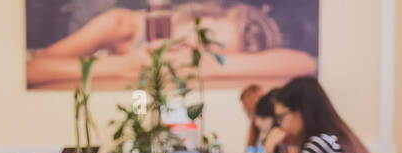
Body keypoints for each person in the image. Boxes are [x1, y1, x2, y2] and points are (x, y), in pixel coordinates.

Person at [26, 4, 318, 89]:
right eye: (202, 36)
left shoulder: (179, 56)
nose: (193, 46)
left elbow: (305, 63)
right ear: (198, 15)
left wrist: (213, 64)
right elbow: (33, 70)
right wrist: (120, 66)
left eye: (208, 51)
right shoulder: (124, 25)